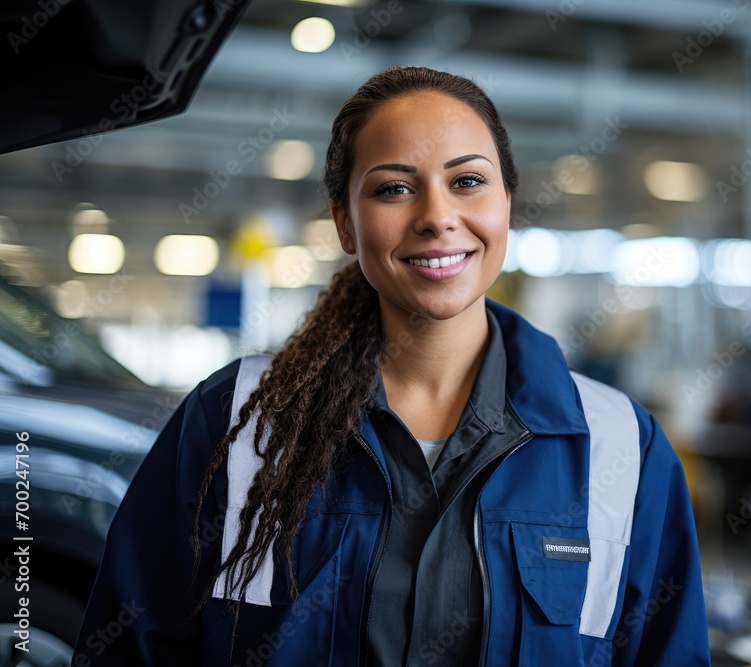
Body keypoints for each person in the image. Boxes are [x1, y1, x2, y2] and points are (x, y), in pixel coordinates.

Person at [72, 65, 710, 666]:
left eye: (468, 181)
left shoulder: (620, 447)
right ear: (345, 224)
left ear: (507, 203)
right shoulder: (236, 422)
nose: (437, 217)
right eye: (394, 189)